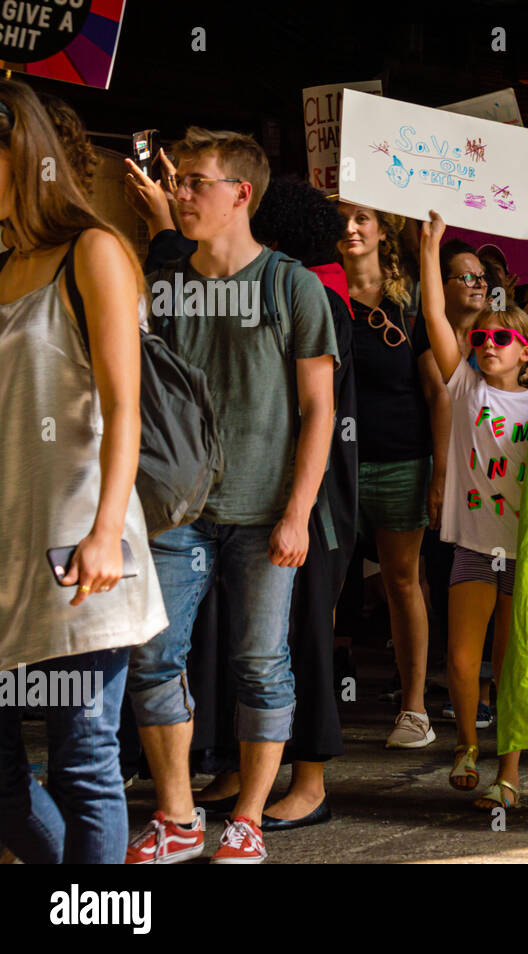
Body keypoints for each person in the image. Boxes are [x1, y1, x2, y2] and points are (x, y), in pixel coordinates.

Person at [124, 128, 338, 864]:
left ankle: (246, 820)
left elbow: (319, 411)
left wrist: (298, 511)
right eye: (177, 181)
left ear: (239, 194)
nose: (179, 192)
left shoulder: (292, 284)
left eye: (193, 181)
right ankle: (178, 817)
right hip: (178, 510)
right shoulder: (167, 283)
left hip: (265, 513)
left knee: (260, 663)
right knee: (155, 657)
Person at [0, 80, 168, 864]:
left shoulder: (95, 250)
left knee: (82, 758)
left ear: (20, 153)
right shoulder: (2, 265)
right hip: (6, 544)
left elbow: (123, 405)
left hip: (78, 550)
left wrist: (105, 531)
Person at [421, 209, 528, 812]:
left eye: (501, 339)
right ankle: (467, 745)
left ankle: (511, 772)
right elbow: (434, 317)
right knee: (462, 659)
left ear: (526, 351)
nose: (486, 344)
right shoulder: (465, 386)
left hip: (524, 552)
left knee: (512, 664)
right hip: (474, 545)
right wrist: (430, 248)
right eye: (480, 338)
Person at [337, 200, 449, 751]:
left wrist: (440, 475)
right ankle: (310, 706)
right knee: (324, 586)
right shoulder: (322, 296)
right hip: (334, 466)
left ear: (383, 230)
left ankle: (414, 710)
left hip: (402, 461)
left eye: (362, 218)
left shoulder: (408, 306)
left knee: (402, 581)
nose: (350, 228)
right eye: (342, 219)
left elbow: (438, 391)